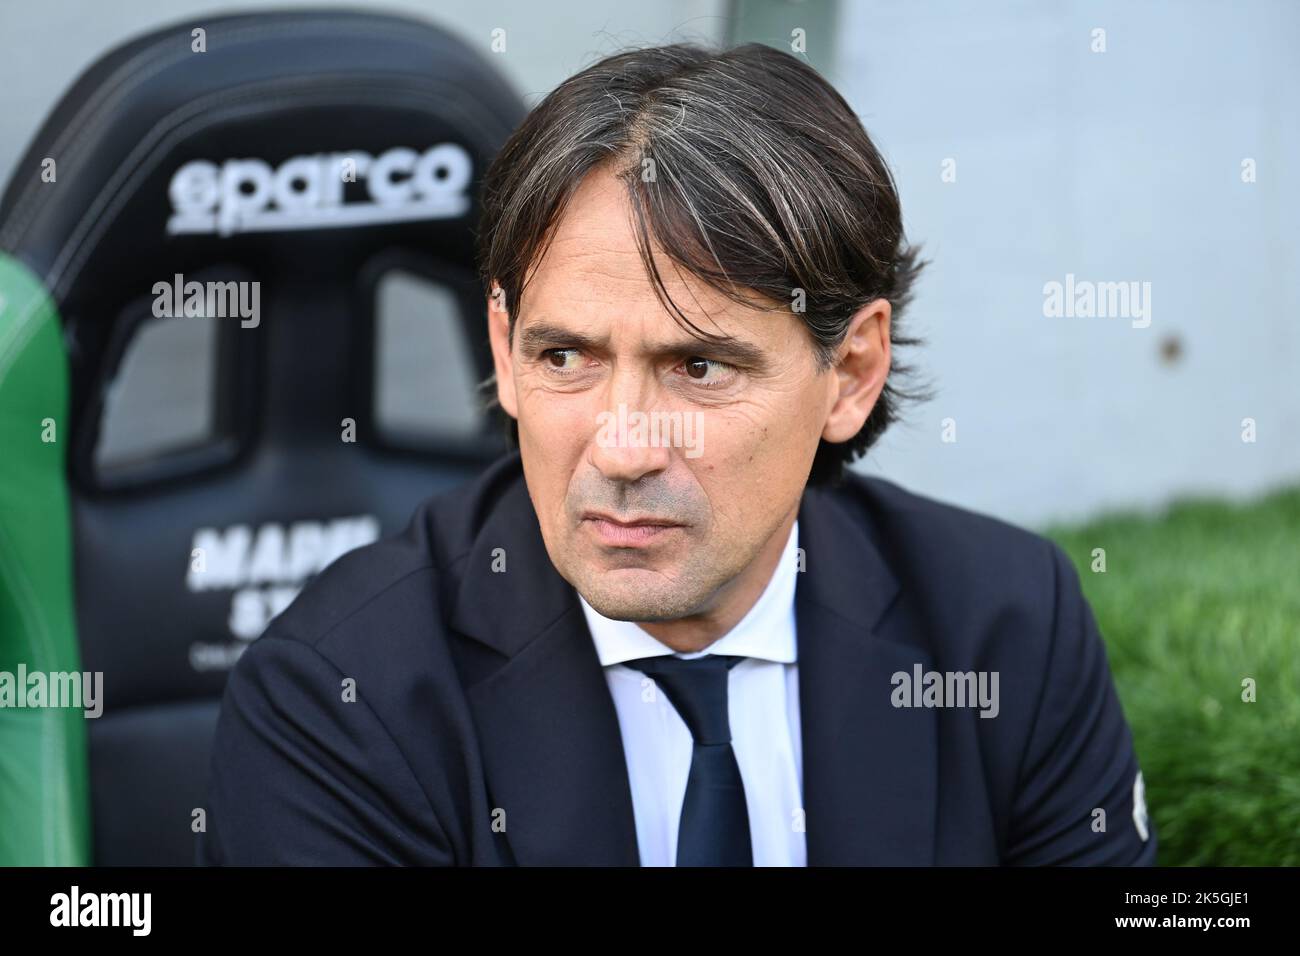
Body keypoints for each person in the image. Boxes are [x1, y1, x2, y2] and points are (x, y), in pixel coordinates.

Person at [200, 41, 1155, 866]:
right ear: (503, 350)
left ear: (853, 370)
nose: (620, 448)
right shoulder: (337, 700)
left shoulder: (1008, 627)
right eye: (565, 356)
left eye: (698, 367)